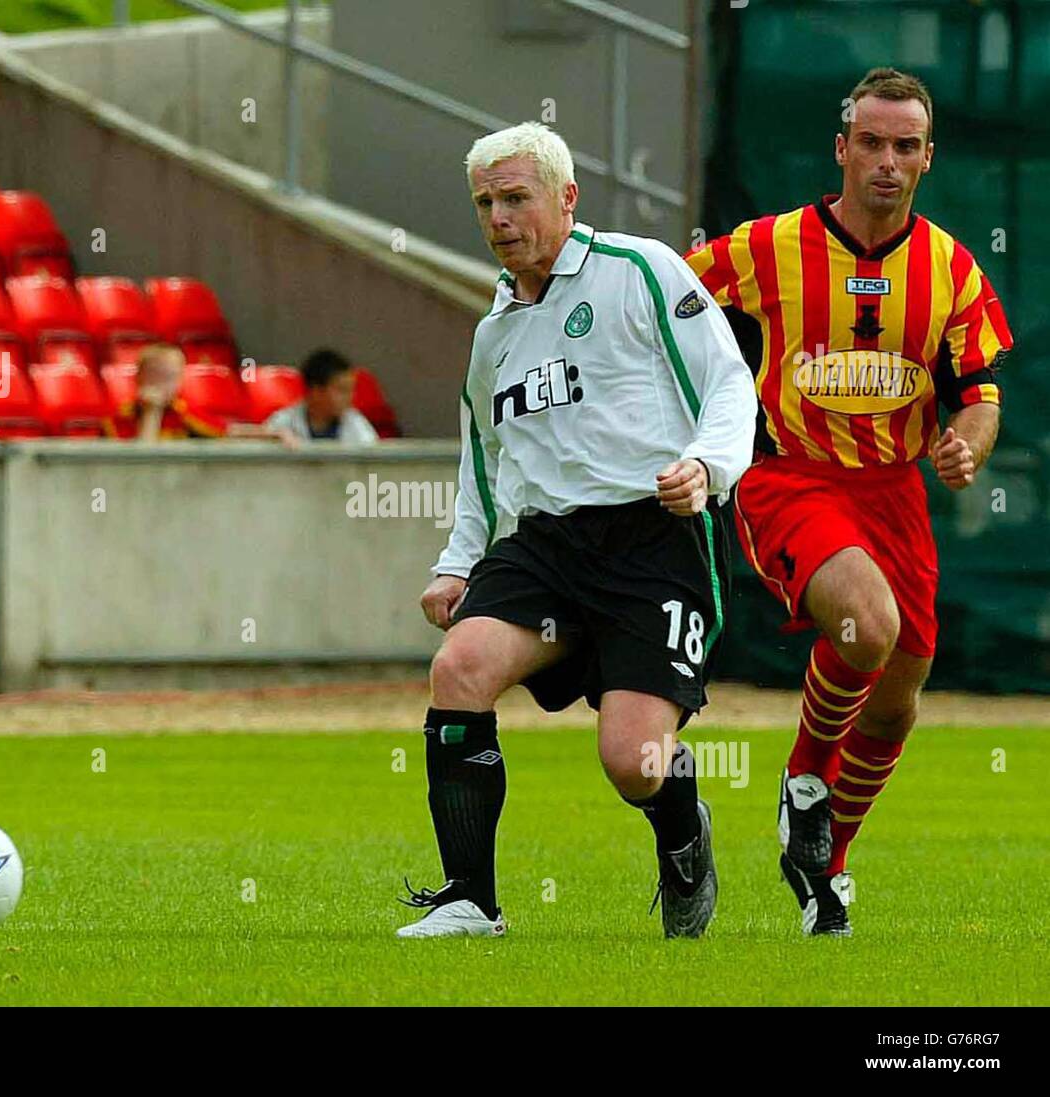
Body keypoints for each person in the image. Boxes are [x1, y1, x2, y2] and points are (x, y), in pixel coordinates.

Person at [398, 122, 756, 940]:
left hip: (656, 538)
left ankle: (683, 830)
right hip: (548, 546)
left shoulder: (639, 270)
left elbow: (728, 381)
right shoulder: (493, 335)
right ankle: (469, 900)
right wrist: (457, 562)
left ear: (566, 198)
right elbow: (485, 464)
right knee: (459, 668)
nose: (498, 217)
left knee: (632, 760)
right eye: (486, 201)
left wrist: (707, 467)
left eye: (516, 197)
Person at [685, 68, 1012, 936]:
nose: (886, 161)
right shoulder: (766, 247)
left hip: (896, 491)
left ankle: (823, 868)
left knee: (899, 693)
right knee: (868, 622)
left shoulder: (951, 267)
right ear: (842, 148)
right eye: (871, 142)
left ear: (928, 158)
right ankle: (803, 786)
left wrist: (966, 443)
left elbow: (979, 392)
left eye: (906, 146)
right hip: (791, 476)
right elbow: (663, 302)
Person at [261, 349, 378, 444]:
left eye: (351, 390)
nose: (350, 397)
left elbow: (374, 466)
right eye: (342, 390)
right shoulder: (283, 421)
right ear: (316, 391)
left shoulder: (356, 424)